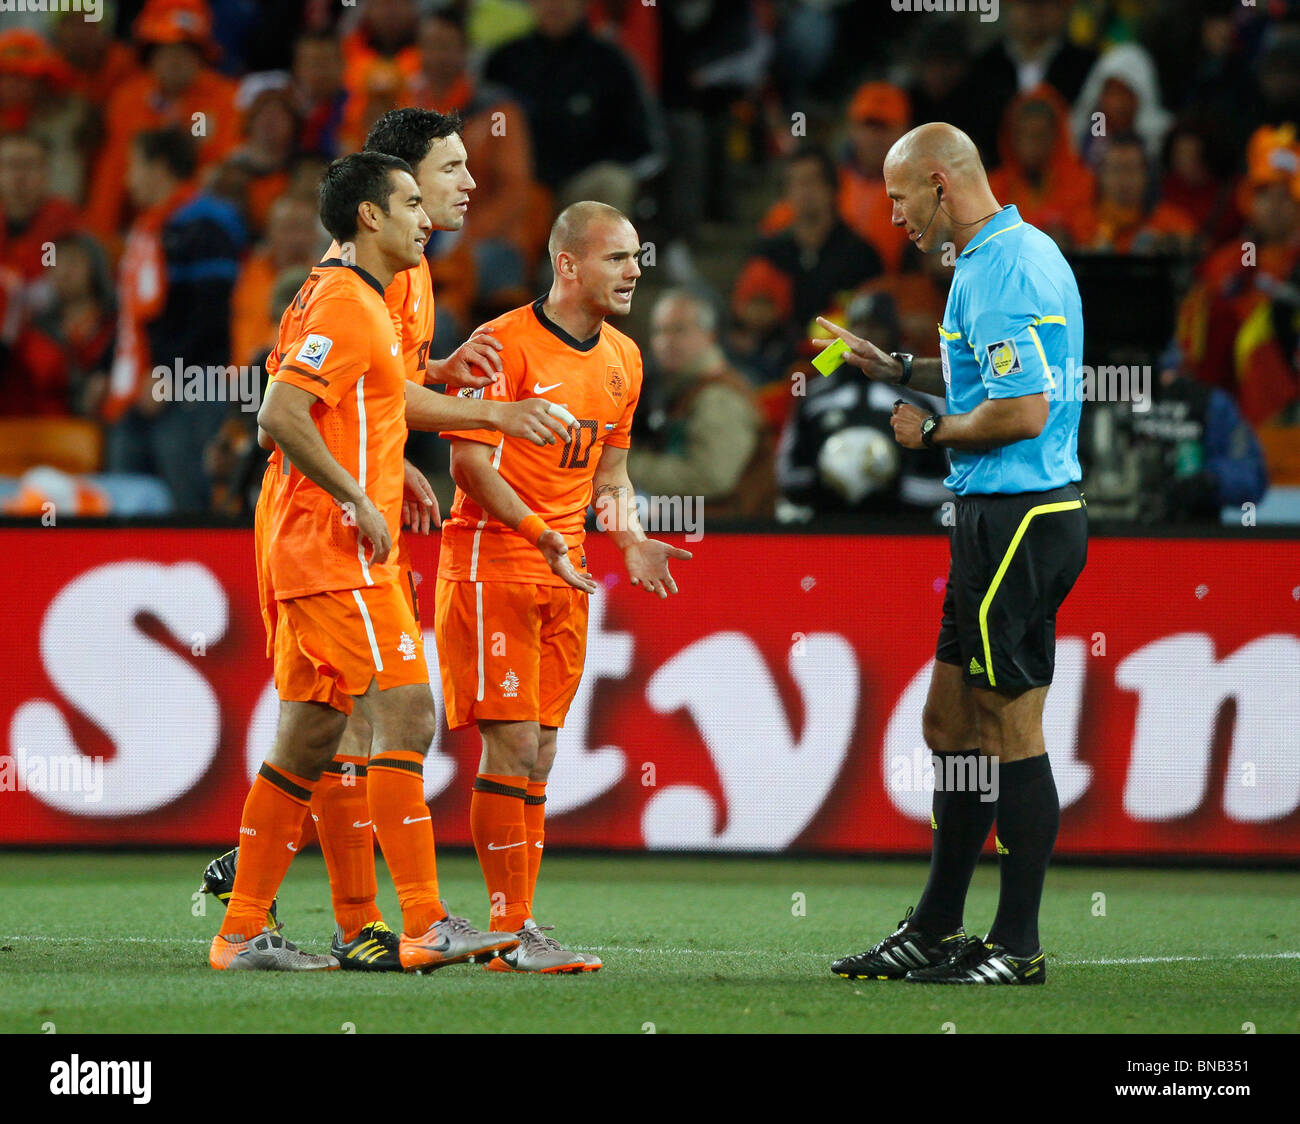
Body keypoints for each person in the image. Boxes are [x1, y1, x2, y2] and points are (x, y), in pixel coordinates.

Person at [204, 108, 572, 970]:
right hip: (325, 532)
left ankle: (262, 924)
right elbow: (285, 412)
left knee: (317, 730)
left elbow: (374, 392)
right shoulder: (363, 284)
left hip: (332, 516)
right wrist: (487, 414)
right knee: (402, 711)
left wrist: (394, 442)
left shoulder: (385, 279)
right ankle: (411, 919)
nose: (464, 186)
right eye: (442, 173)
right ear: (384, 195)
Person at [820, 122, 1087, 985]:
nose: (891, 213)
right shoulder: (998, 256)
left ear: (940, 181)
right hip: (1002, 516)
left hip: (1019, 514)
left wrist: (933, 428)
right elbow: (989, 376)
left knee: (1009, 724)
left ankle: (1016, 946)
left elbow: (1023, 412)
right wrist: (898, 365)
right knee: (948, 722)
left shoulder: (1003, 270)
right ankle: (937, 927)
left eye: (898, 196)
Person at [435, 200, 692, 973]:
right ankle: (511, 930)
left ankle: (518, 930)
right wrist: (542, 533)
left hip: (566, 570)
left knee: (541, 752)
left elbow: (610, 473)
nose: (634, 271)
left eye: (638, 259)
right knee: (511, 742)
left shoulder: (625, 360)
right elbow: (468, 467)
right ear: (568, 264)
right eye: (618, 258)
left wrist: (632, 537)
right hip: (495, 563)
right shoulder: (501, 345)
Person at [628, 288, 774, 519]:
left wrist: (626, 464)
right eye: (660, 331)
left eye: (679, 330)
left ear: (710, 336)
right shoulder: (679, 387)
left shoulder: (719, 397)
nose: (667, 341)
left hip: (732, 537)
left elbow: (710, 477)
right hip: (699, 529)